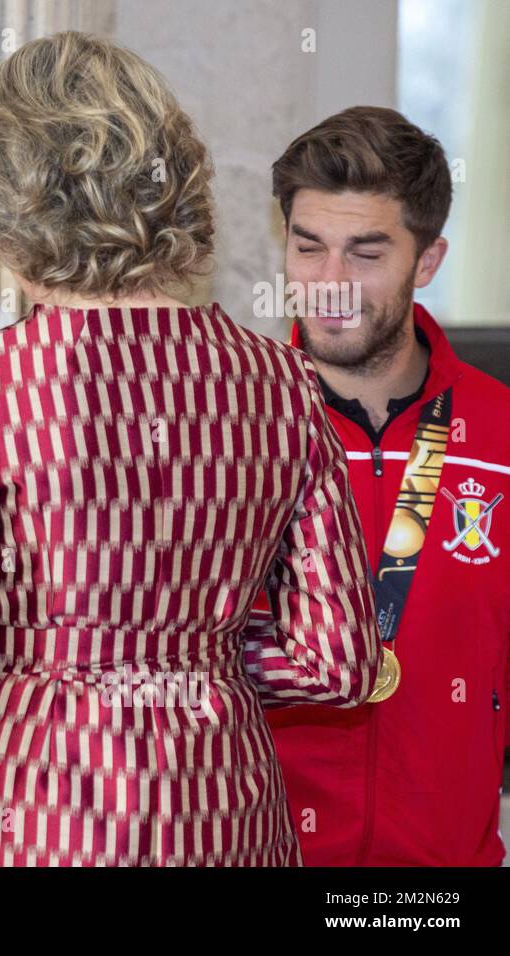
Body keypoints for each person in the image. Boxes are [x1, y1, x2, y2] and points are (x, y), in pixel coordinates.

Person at [0, 31, 383, 866]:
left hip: (14, 814)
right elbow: (342, 665)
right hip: (217, 818)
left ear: (5, 206)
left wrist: (33, 657)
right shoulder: (284, 383)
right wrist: (186, 658)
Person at [252, 106, 510, 866]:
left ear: (426, 261)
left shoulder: (500, 436)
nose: (330, 283)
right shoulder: (226, 429)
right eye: (309, 248)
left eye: (366, 253)